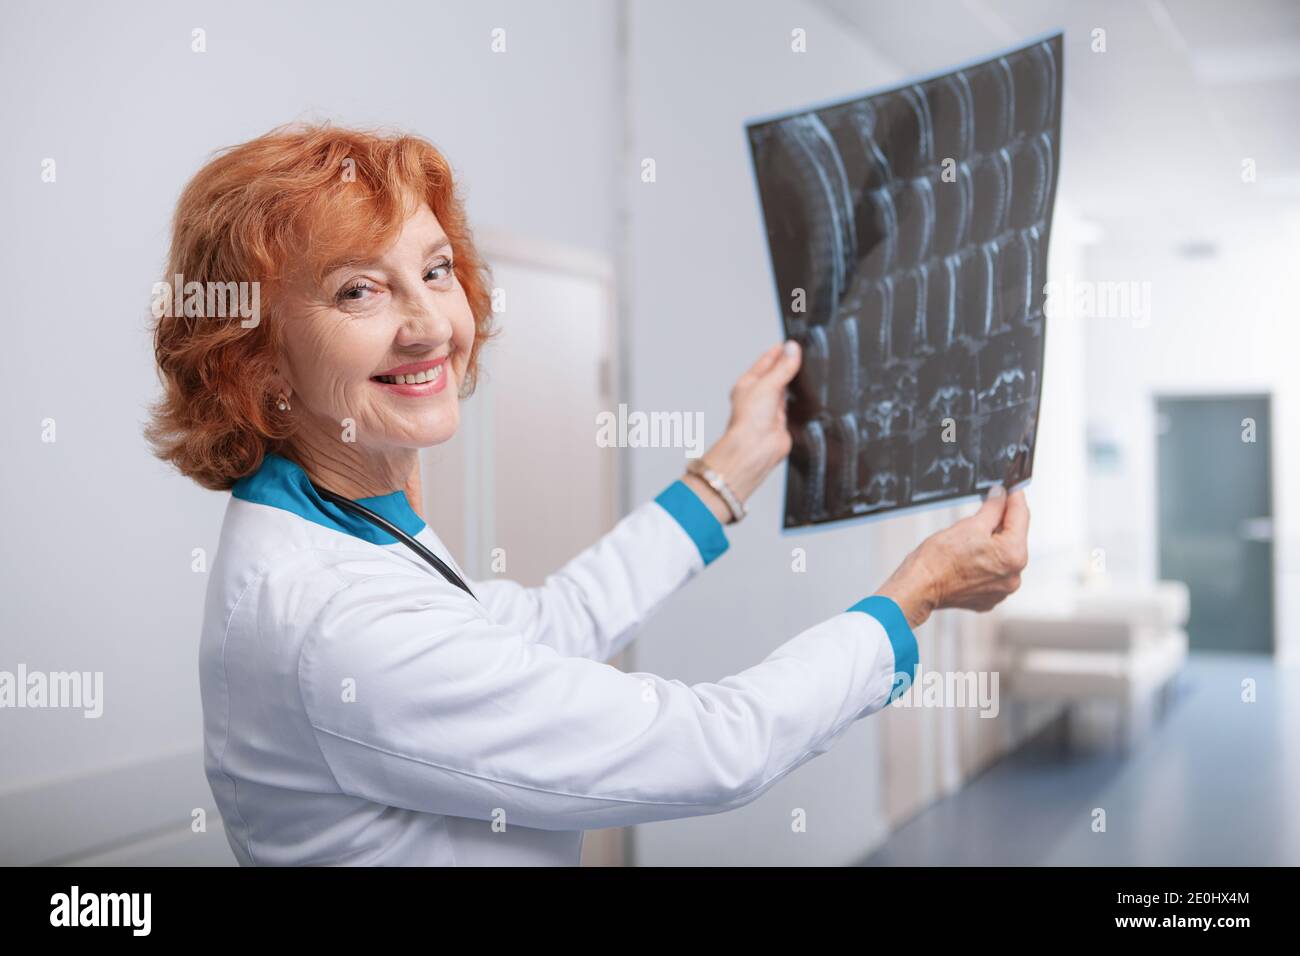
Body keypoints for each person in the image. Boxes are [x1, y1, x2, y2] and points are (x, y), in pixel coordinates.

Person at [145, 123, 1028, 866]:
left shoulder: (329, 515)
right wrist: (920, 593)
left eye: (437, 269)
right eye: (358, 290)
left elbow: (544, 628)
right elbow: (713, 746)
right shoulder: (335, 623)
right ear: (254, 363)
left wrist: (730, 469)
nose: (428, 326)